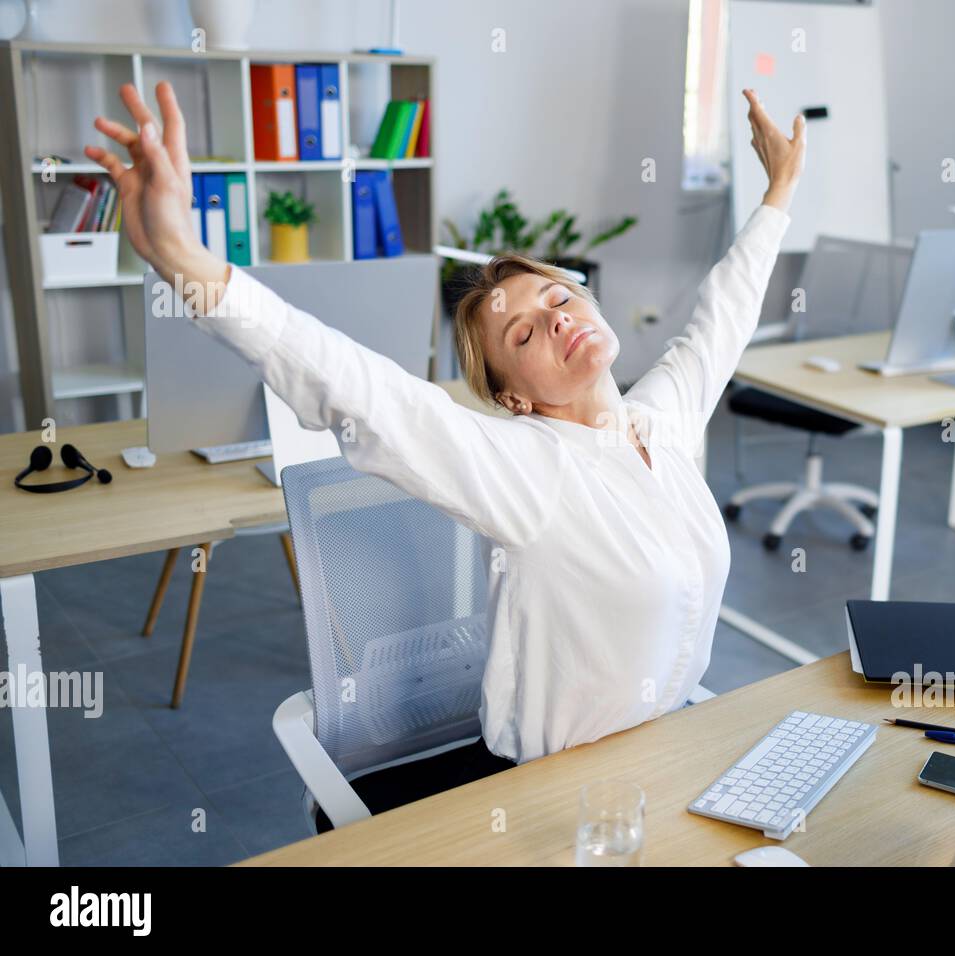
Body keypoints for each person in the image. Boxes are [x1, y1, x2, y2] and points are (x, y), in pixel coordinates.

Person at [86, 82, 804, 766]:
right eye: (522, 337)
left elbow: (721, 320)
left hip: (670, 752)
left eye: (558, 297)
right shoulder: (523, 471)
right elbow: (360, 390)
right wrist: (183, 259)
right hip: (569, 802)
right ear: (514, 398)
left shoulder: (662, 424)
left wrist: (778, 190)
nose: (555, 319)